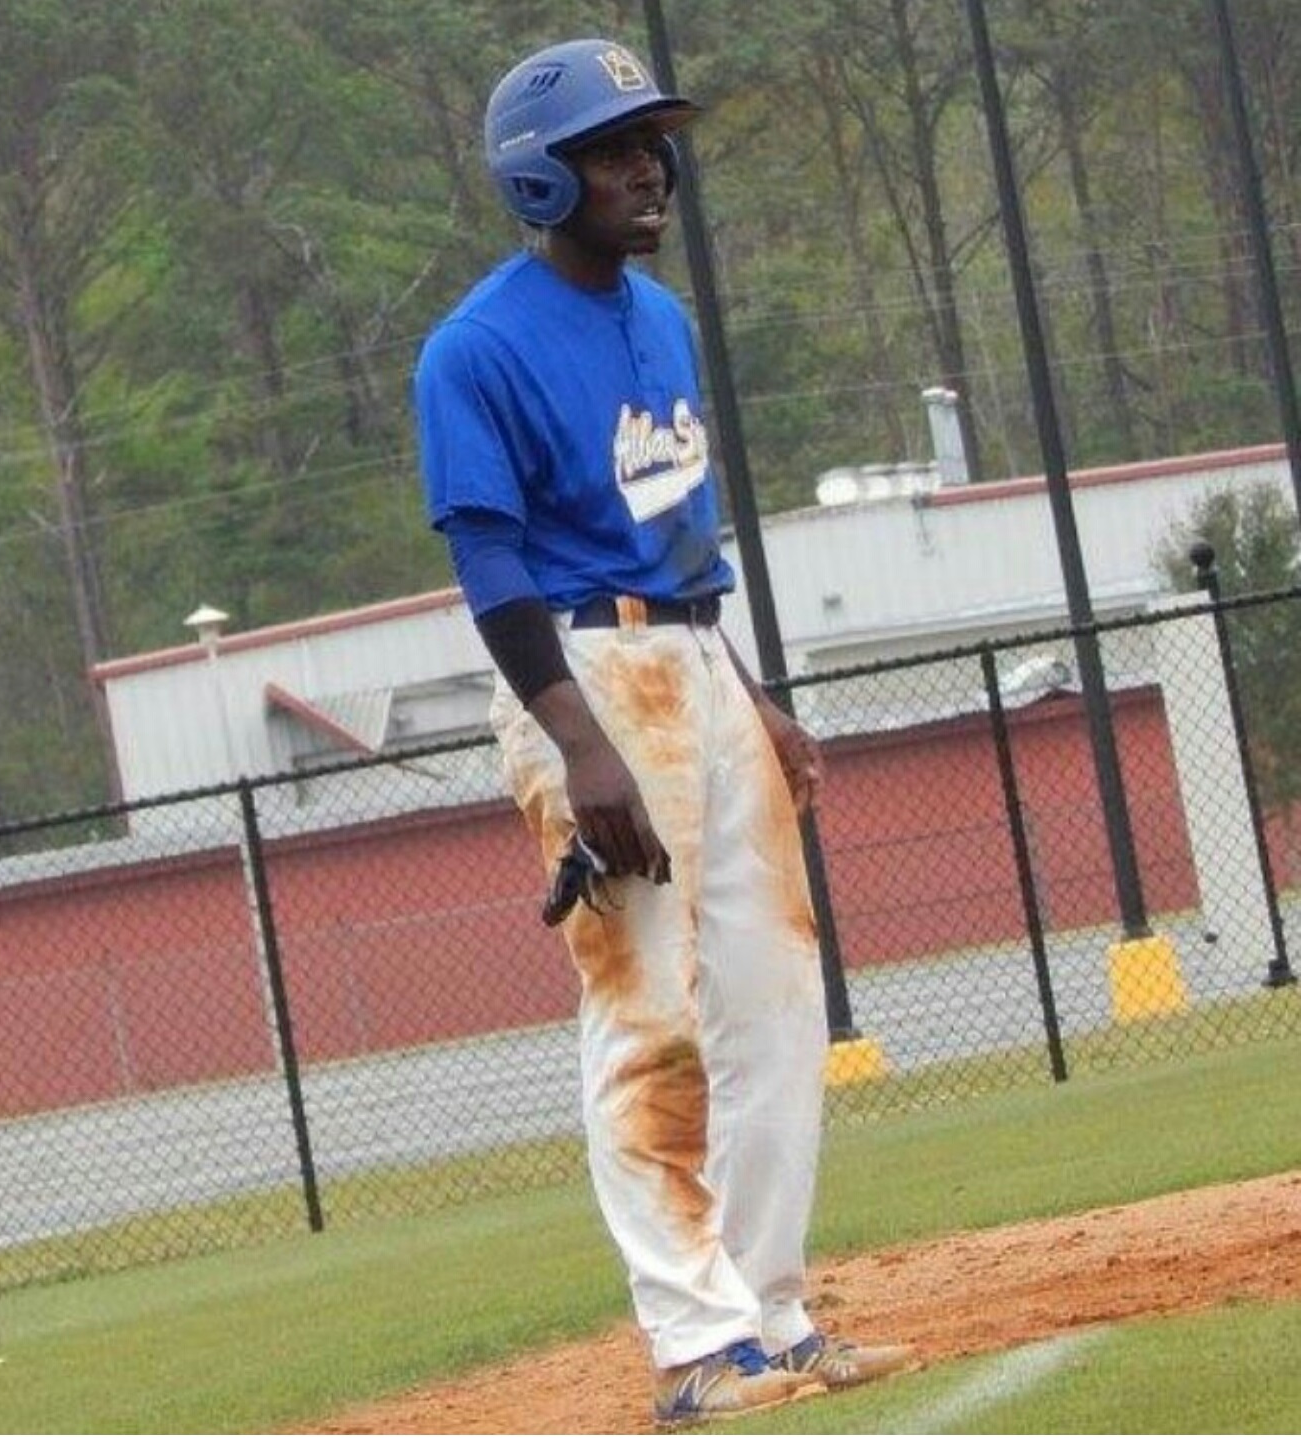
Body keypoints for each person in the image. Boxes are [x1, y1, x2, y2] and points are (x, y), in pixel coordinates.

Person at [413, 37, 912, 1427]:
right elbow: (494, 568)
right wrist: (579, 745)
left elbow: (687, 544)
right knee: (650, 1010)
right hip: (581, 667)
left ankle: (773, 1310)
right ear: (538, 176)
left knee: (771, 998)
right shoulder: (476, 348)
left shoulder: (665, 323)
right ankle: (696, 1347)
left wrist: (751, 695)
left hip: (693, 652)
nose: (651, 168)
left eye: (654, 142)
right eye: (616, 148)